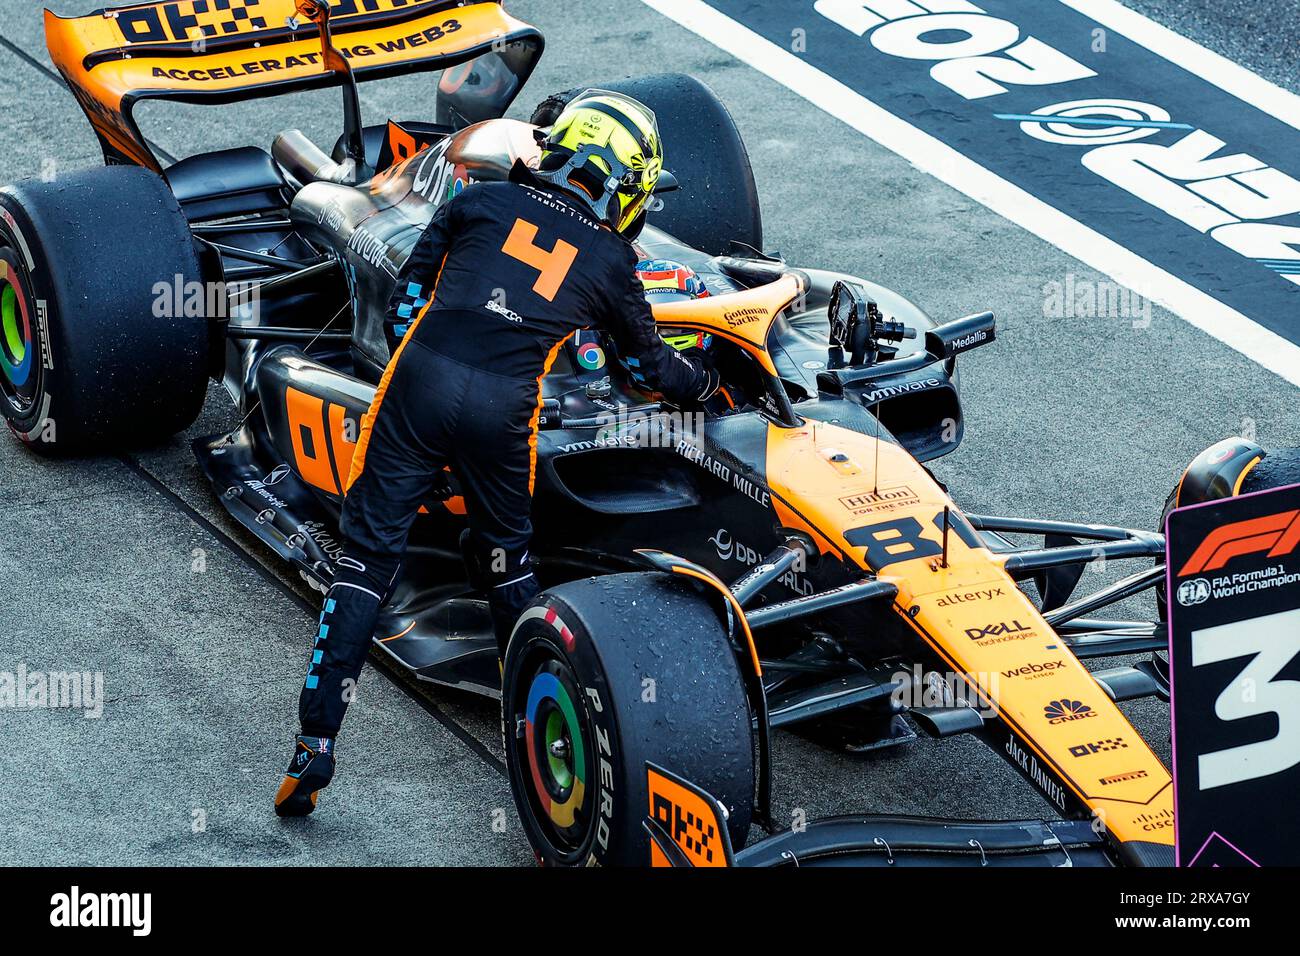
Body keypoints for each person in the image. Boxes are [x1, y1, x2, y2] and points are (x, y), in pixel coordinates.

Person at [275, 91, 720, 817]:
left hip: (417, 385)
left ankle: (313, 746)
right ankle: (542, 755)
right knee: (509, 568)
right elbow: (649, 373)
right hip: (505, 416)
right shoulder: (611, 257)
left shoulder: (479, 199)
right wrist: (704, 384)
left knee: (363, 567)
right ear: (625, 185)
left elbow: (404, 303)